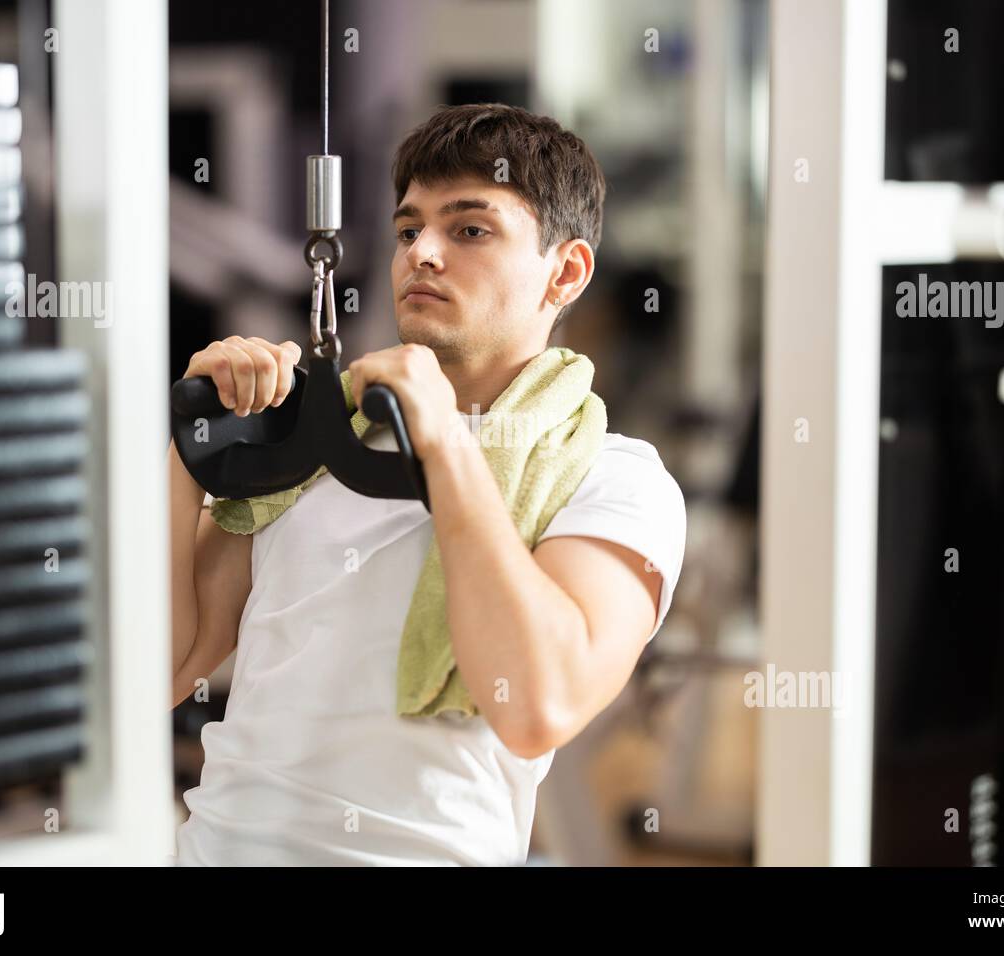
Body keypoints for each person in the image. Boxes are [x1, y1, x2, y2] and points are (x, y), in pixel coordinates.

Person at [169, 103, 686, 865]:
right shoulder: (316, 446)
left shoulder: (616, 480)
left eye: (470, 229)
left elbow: (538, 704)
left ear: (566, 272)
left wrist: (446, 445)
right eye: (410, 230)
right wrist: (189, 442)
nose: (424, 253)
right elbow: (163, 672)